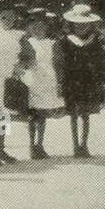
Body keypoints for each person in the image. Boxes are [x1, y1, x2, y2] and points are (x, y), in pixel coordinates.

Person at [55, 4, 105, 158]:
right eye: (77, 24)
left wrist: (101, 77)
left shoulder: (95, 41)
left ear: (90, 25)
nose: (81, 27)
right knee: (73, 114)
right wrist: (60, 80)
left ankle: (84, 144)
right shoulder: (65, 41)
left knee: (85, 113)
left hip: (88, 80)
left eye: (84, 24)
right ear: (72, 24)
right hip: (71, 80)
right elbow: (60, 61)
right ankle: (75, 144)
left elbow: (101, 61)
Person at [0, 4, 29, 163]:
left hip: (9, 78)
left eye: (11, 17)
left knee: (5, 115)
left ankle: (0, 149)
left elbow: (29, 56)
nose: (7, 20)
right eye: (4, 17)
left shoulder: (19, 35)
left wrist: (20, 67)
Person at [21, 8, 64, 158]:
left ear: (46, 27)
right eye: (33, 26)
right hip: (31, 80)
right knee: (33, 114)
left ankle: (40, 144)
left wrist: (59, 82)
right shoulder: (26, 42)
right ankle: (31, 144)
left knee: (42, 114)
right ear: (28, 28)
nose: (37, 29)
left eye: (41, 26)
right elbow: (23, 61)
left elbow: (58, 63)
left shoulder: (52, 43)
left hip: (47, 80)